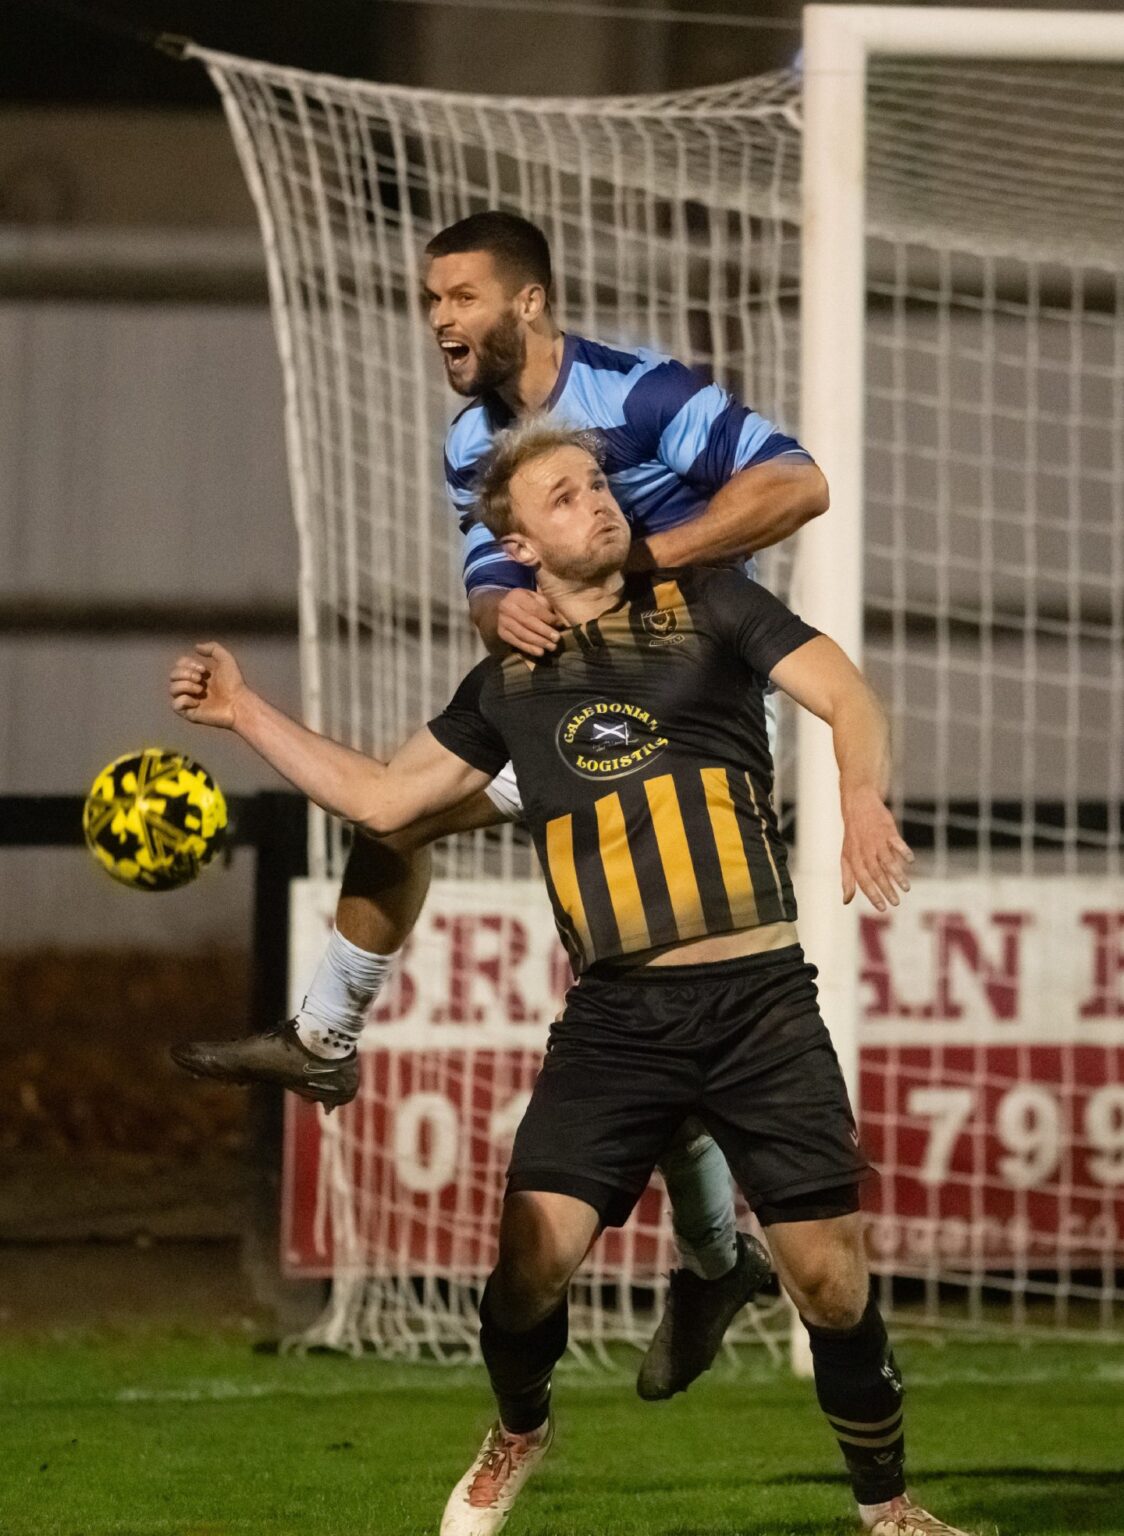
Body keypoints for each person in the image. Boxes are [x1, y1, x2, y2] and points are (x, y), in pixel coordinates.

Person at [168, 422, 975, 1536]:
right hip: (617, 1021)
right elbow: (386, 805)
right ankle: (519, 1427)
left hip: (759, 1003)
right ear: (520, 544)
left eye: (596, 483)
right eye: (562, 495)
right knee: (529, 1265)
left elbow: (846, 696)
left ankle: (887, 1510)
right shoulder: (506, 684)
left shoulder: (711, 605)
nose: (595, 501)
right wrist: (243, 710)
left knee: (831, 1285)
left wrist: (865, 796)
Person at [172, 209, 828, 1399]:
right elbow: (490, 583)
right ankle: (331, 1041)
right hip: (572, 704)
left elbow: (797, 482)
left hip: (693, 709)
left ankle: (719, 1260)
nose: (438, 320)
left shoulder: (638, 393)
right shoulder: (469, 435)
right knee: (412, 830)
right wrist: (502, 616)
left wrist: (641, 562)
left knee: (626, 975)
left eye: (459, 297)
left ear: (526, 303)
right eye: (430, 300)